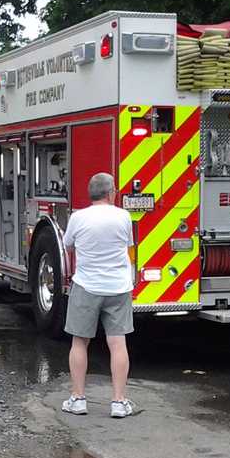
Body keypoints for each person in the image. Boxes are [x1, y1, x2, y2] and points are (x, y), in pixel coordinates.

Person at [60, 172, 135, 419]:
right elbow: (128, 245)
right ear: (111, 192)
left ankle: (78, 399)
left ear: (90, 193)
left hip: (86, 286)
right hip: (118, 287)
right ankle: (118, 401)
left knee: (80, 342)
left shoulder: (78, 217)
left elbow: (68, 245)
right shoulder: (123, 216)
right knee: (117, 343)